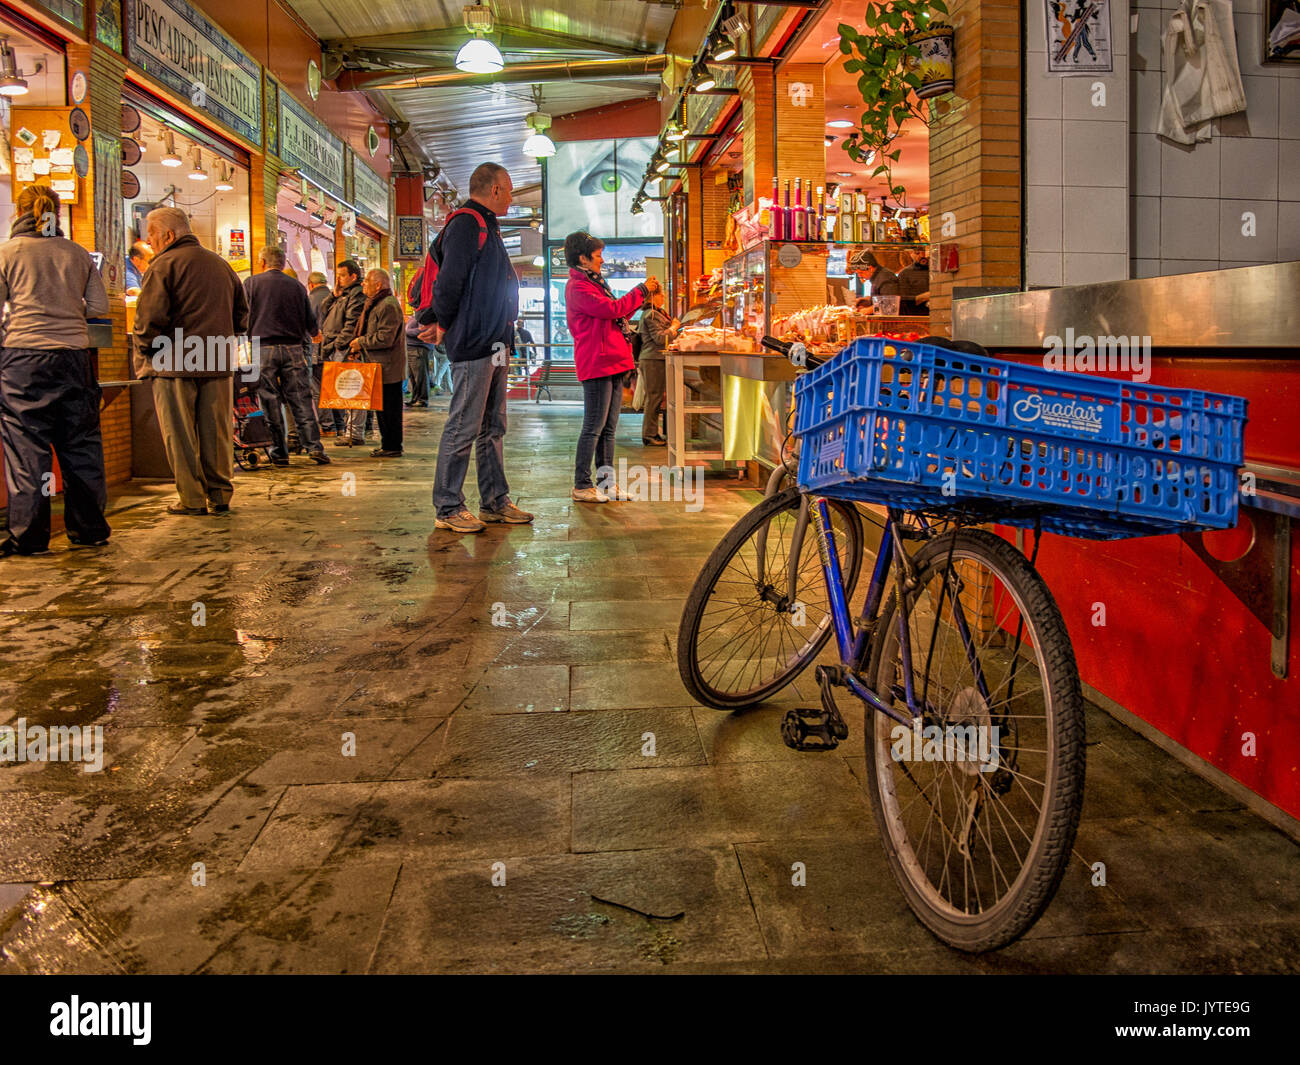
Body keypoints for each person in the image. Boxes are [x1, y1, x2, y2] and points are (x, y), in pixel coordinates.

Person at [0, 184, 112, 555]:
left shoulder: (7, 253)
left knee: (27, 450)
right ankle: (89, 528)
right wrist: (65, 313)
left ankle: (30, 537)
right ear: (56, 214)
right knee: (80, 444)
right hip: (74, 358)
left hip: (22, 359)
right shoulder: (76, 253)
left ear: (20, 212)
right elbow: (98, 306)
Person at [426, 162, 533, 533]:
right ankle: (448, 505)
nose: (511, 196)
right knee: (464, 425)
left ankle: (495, 500)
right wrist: (440, 321)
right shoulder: (467, 223)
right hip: (474, 342)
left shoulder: (490, 226)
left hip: (498, 342)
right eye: (509, 188)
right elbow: (449, 283)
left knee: (493, 425)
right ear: (495, 189)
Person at [133, 206, 248, 515]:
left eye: (153, 234)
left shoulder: (163, 266)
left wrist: (144, 350)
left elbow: (148, 320)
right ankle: (220, 494)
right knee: (217, 432)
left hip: (174, 364)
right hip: (217, 359)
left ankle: (192, 500)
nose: (150, 240)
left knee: (180, 434)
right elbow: (242, 317)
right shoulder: (222, 265)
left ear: (169, 235)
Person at [564, 230, 654, 503]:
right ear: (582, 258)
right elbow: (611, 310)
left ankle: (606, 483)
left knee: (609, 428)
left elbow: (616, 313)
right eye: (598, 256)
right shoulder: (578, 287)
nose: (602, 261)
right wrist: (641, 289)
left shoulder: (595, 283)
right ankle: (582, 485)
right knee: (593, 426)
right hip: (597, 362)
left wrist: (638, 300)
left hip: (613, 360)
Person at [244, 245, 330, 467]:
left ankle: (279, 451)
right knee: (301, 398)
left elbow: (242, 315)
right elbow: (309, 318)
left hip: (262, 349)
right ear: (282, 264)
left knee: (270, 401)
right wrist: (314, 333)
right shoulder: (297, 286)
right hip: (293, 348)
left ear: (263, 262)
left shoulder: (251, 284)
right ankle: (314, 447)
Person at [347, 269, 405, 457]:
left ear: (378, 285)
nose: (363, 284)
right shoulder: (378, 303)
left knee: (390, 410)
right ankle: (388, 444)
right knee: (384, 408)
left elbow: (385, 338)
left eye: (367, 281)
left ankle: (392, 446)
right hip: (380, 366)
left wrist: (360, 342)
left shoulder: (387, 305)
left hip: (388, 367)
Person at [324, 260, 367, 446]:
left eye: (342, 275)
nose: (339, 279)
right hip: (338, 347)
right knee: (346, 391)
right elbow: (322, 312)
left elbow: (351, 323)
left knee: (353, 390)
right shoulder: (343, 294)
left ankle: (354, 433)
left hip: (345, 349)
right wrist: (333, 295)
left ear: (353, 276)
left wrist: (338, 344)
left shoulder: (356, 295)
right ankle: (351, 431)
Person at [637, 288, 676, 447]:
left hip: (655, 359)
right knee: (654, 397)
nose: (664, 296)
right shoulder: (651, 314)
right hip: (653, 359)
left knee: (655, 397)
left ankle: (652, 433)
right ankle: (649, 435)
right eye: (661, 294)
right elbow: (660, 338)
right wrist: (674, 327)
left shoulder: (656, 313)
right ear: (652, 297)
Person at [404, 312, 433, 408]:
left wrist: (406, 331)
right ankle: (415, 398)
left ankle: (422, 399)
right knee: (413, 377)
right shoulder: (414, 316)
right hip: (411, 348)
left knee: (420, 376)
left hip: (418, 348)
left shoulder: (422, 316)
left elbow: (422, 330)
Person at [897, 249, 931, 316]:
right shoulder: (905, 274)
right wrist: (922, 297)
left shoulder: (939, 270)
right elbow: (903, 301)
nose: (922, 255)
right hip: (918, 318)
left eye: (925, 252)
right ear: (911, 253)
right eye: (917, 253)